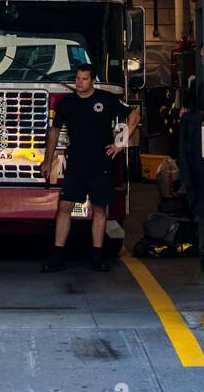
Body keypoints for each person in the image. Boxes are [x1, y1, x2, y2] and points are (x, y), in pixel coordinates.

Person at [40, 63, 139, 272]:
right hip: (75, 164)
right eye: (77, 78)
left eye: (84, 79)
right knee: (64, 207)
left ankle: (97, 255)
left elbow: (134, 117)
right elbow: (54, 133)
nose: (79, 83)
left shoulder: (106, 99)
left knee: (99, 209)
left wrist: (120, 144)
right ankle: (57, 256)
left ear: (92, 80)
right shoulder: (66, 104)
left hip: (100, 164)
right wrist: (47, 161)